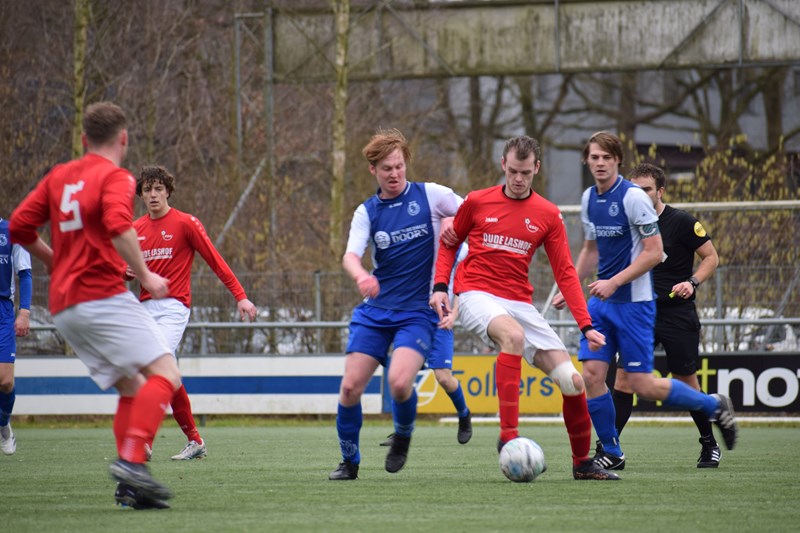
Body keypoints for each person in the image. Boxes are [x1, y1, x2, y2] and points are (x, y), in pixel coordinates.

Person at [10, 101, 181, 509]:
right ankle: (132, 463)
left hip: (65, 307)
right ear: (123, 138)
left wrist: (54, 260)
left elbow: (18, 226)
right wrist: (146, 275)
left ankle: (130, 488)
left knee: (131, 387)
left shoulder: (59, 176)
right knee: (167, 374)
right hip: (101, 295)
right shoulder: (115, 177)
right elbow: (120, 226)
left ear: (85, 139)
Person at [432, 135, 619, 481]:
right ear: (504, 165)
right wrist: (441, 286)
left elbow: (565, 272)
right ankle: (508, 435)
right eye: (513, 171)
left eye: (526, 173)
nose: (518, 179)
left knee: (573, 381)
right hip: (475, 293)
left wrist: (586, 325)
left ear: (537, 169)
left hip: (519, 301)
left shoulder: (547, 214)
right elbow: (449, 243)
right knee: (513, 337)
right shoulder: (477, 201)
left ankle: (582, 463)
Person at [552, 131, 737, 472]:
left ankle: (712, 407)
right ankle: (612, 450)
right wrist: (571, 284)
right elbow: (591, 249)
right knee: (592, 375)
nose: (600, 163)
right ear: (586, 160)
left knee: (642, 384)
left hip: (637, 306)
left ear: (617, 161)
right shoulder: (589, 198)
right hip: (603, 303)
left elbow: (655, 253)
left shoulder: (635, 199)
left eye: (607, 157)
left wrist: (616, 282)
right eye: (594, 157)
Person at [329, 128, 463, 480]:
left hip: (417, 313)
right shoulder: (367, 212)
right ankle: (349, 462)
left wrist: (456, 227)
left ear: (406, 164)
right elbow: (350, 255)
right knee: (350, 388)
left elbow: (473, 213)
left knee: (400, 383)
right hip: (375, 312)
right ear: (373, 169)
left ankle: (402, 435)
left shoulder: (431, 195)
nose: (394, 173)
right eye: (387, 168)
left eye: (399, 166)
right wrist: (361, 276)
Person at [128, 165, 258, 461]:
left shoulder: (186, 223)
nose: (153, 194)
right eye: (147, 189)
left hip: (174, 307)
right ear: (141, 195)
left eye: (158, 188)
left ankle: (144, 440)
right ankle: (195, 440)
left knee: (155, 367)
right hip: (145, 310)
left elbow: (215, 260)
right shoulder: (135, 230)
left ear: (168, 191)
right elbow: (122, 268)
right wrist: (125, 272)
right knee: (168, 374)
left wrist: (240, 296)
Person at [609, 163, 721, 467]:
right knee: (624, 380)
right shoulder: (626, 224)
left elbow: (711, 257)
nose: (639, 195)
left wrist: (692, 282)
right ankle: (610, 449)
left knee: (686, 381)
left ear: (660, 191)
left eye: (646, 189)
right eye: (634, 189)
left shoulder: (682, 222)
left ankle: (709, 443)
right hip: (639, 314)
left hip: (676, 314)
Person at [381, 245, 472, 447]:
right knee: (401, 375)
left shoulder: (461, 249)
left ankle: (464, 414)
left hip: (440, 319)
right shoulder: (418, 238)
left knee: (444, 378)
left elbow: (463, 286)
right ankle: (400, 432)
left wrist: (454, 315)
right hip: (412, 319)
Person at [0, 217, 32, 456]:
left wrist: (24, 312)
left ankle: (4, 425)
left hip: (3, 310)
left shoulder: (12, 231)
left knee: (5, 381)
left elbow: (25, 273)